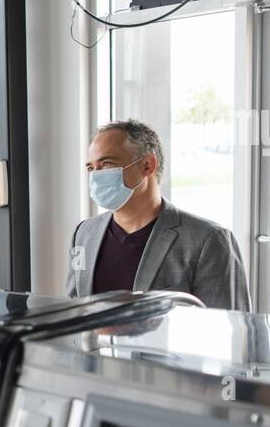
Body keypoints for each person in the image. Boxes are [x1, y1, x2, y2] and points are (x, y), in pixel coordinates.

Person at [65, 120, 250, 310]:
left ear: (147, 165)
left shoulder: (208, 240)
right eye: (90, 168)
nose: (95, 176)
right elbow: (72, 312)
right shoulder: (84, 234)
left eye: (106, 164)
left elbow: (228, 328)